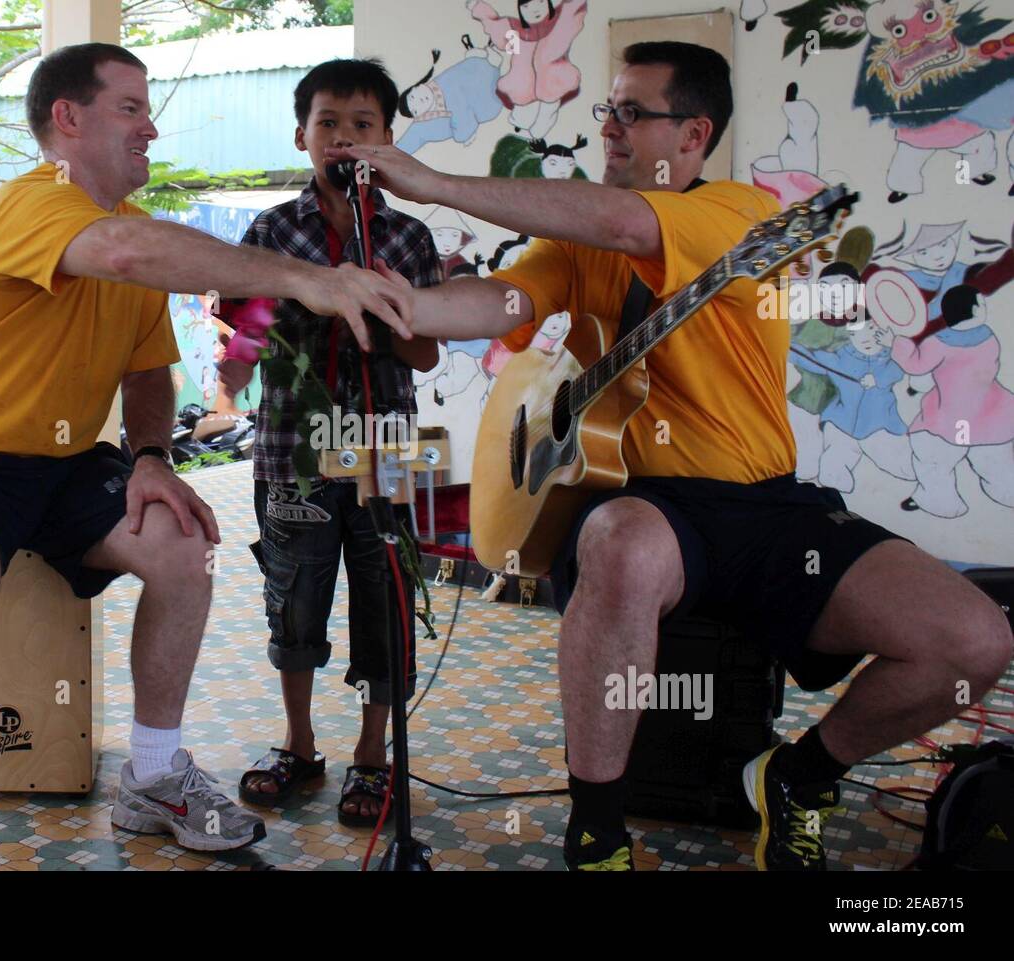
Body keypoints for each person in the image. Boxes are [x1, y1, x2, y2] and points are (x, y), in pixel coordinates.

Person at [331, 41, 1013, 870]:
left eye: (631, 112)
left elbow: (623, 221)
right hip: (643, 503)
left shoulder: (739, 212)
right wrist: (406, 304)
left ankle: (800, 774)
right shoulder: (579, 244)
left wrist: (432, 181)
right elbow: (504, 300)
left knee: (975, 639)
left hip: (766, 507)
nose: (610, 129)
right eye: (607, 109)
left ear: (693, 135)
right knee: (620, 538)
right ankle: (598, 828)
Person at [0, 42, 413, 871]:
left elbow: (147, 371)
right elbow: (125, 257)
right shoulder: (33, 203)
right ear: (68, 119)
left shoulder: (136, 234)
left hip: (72, 465)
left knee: (182, 547)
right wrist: (308, 280)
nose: (152, 127)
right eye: (131, 108)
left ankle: (153, 773)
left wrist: (150, 457)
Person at [217, 58, 441, 827]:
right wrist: (231, 377)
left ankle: (374, 756)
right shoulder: (271, 230)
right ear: (301, 134)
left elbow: (426, 354)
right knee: (295, 603)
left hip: (384, 453)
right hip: (291, 451)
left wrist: (385, 297)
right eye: (328, 124)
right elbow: (243, 332)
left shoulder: (408, 236)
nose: (344, 138)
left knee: (385, 605)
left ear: (388, 138)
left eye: (363, 126)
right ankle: (300, 743)